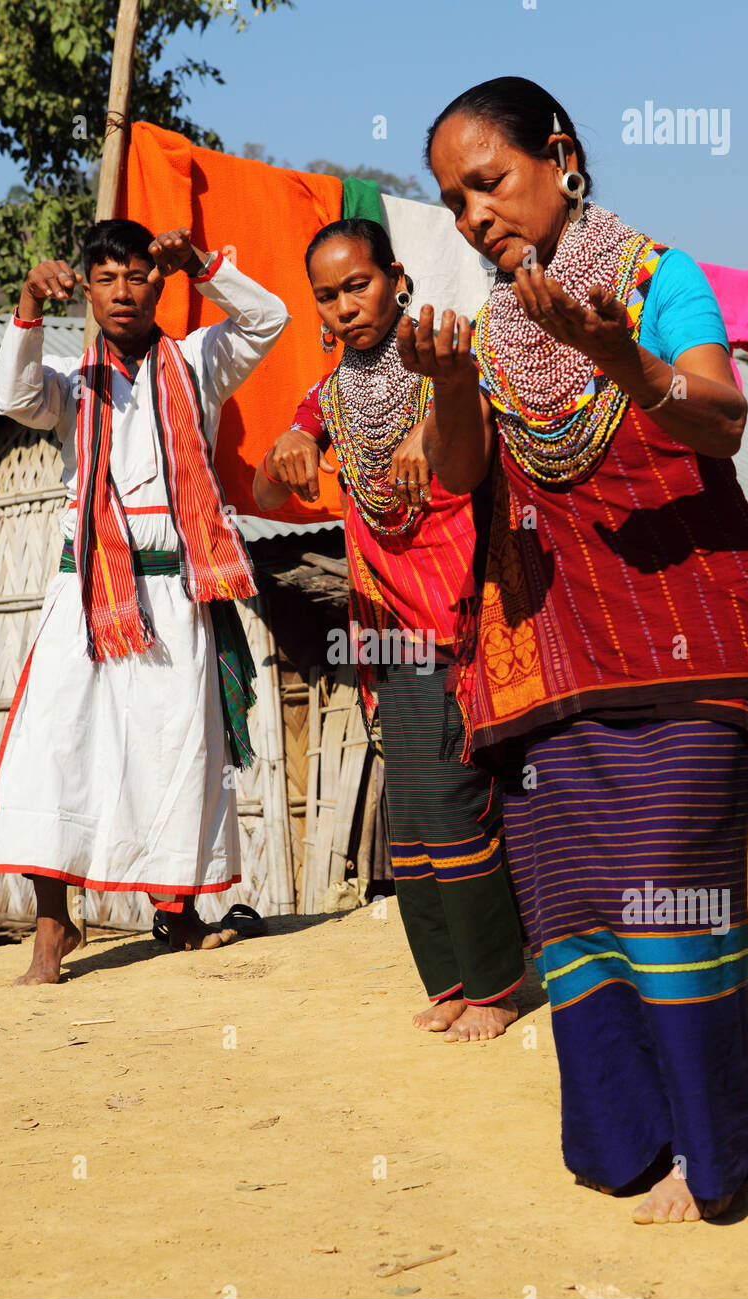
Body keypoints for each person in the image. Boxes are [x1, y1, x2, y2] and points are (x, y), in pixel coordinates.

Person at [398, 77, 748, 1217]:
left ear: (559, 156)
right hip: (550, 659)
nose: (474, 216)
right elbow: (459, 477)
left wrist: (621, 359)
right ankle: (623, 1137)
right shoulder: (486, 335)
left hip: (683, 643)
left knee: (668, 889)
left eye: (488, 182)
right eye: (452, 202)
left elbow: (721, 417)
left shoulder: (654, 279)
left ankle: (709, 1156)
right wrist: (442, 385)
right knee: (579, 905)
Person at [0, 219, 289, 983]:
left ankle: (178, 915)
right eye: (107, 278)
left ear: (160, 284)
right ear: (86, 288)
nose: (124, 292)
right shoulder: (67, 380)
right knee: (56, 747)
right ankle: (52, 932)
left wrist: (206, 266)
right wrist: (25, 303)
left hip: (178, 593)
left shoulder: (197, 362)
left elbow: (269, 319)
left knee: (179, 750)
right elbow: (9, 396)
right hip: (86, 589)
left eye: (139, 277)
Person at [253, 218, 525, 1041]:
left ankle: (498, 984)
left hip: (457, 617)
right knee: (406, 815)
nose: (345, 306)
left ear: (397, 277)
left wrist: (432, 419)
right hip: (384, 629)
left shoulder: (446, 349)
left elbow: (479, 415)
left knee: (449, 798)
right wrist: (289, 447)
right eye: (327, 296)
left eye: (358, 285)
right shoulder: (329, 393)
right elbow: (265, 498)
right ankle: (447, 980)